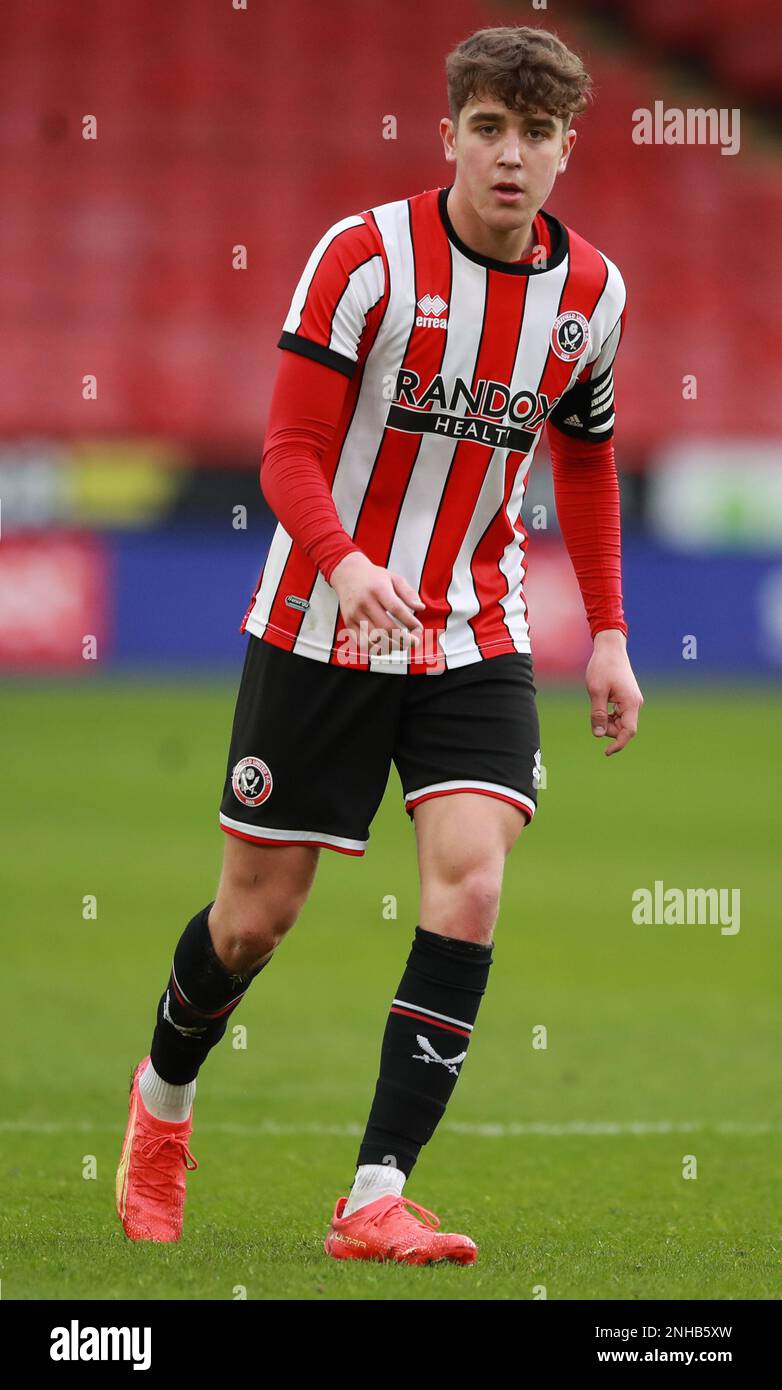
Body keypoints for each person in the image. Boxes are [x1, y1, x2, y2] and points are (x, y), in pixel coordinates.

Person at [116, 23, 643, 1266]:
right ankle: (162, 1104)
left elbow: (586, 457)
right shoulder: (362, 261)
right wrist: (347, 565)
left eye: (535, 133)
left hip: (473, 627)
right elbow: (288, 450)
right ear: (448, 131)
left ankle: (374, 1193)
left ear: (567, 150)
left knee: (471, 878)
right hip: (319, 616)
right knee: (256, 917)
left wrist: (610, 635)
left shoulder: (591, 298)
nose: (509, 156)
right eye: (488, 128)